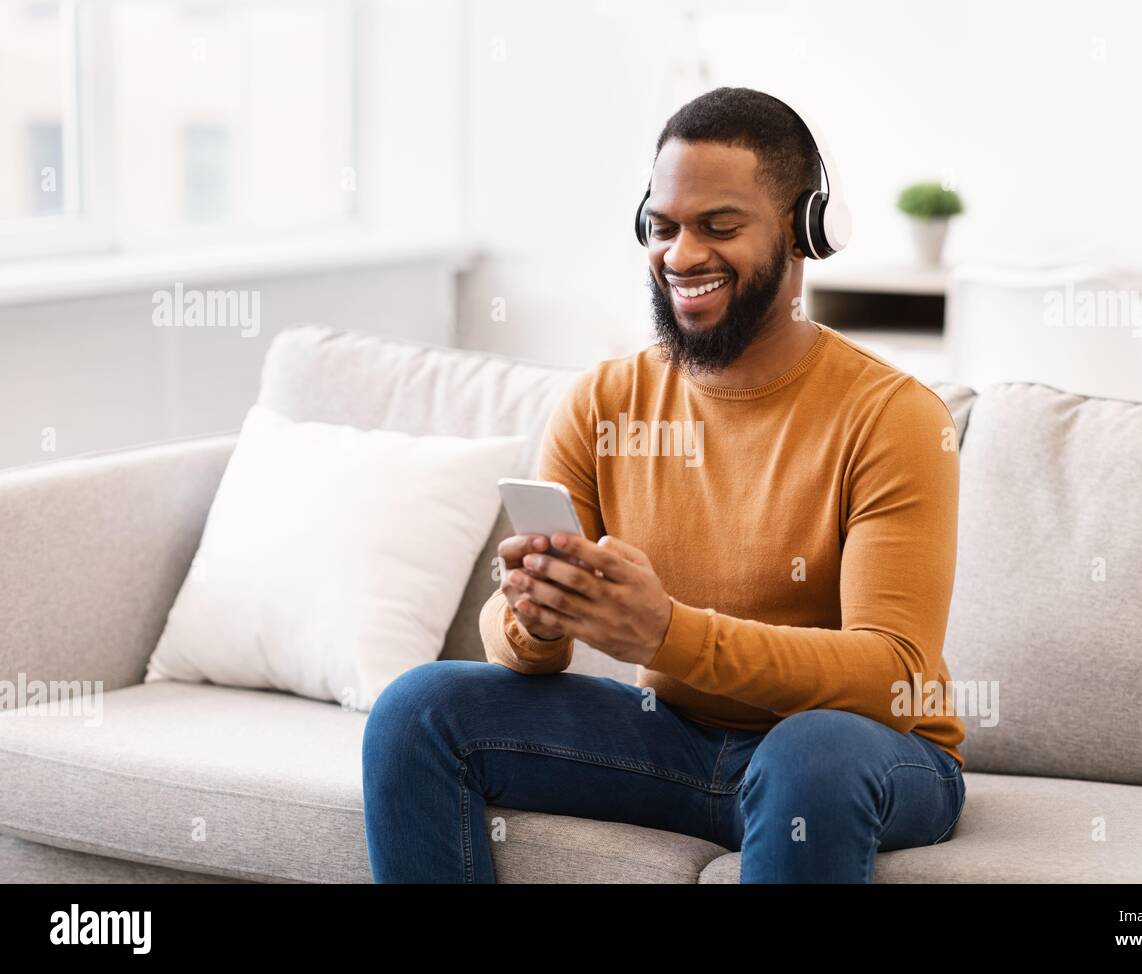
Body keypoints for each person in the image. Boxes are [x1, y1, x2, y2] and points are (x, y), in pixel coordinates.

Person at [363, 86, 965, 883]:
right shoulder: (603, 402)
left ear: (801, 231)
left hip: (868, 753)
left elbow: (895, 674)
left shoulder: (894, 416)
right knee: (416, 712)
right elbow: (524, 649)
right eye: (663, 227)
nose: (682, 255)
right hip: (675, 739)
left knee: (811, 751)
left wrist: (667, 633)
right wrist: (535, 619)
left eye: (720, 226)